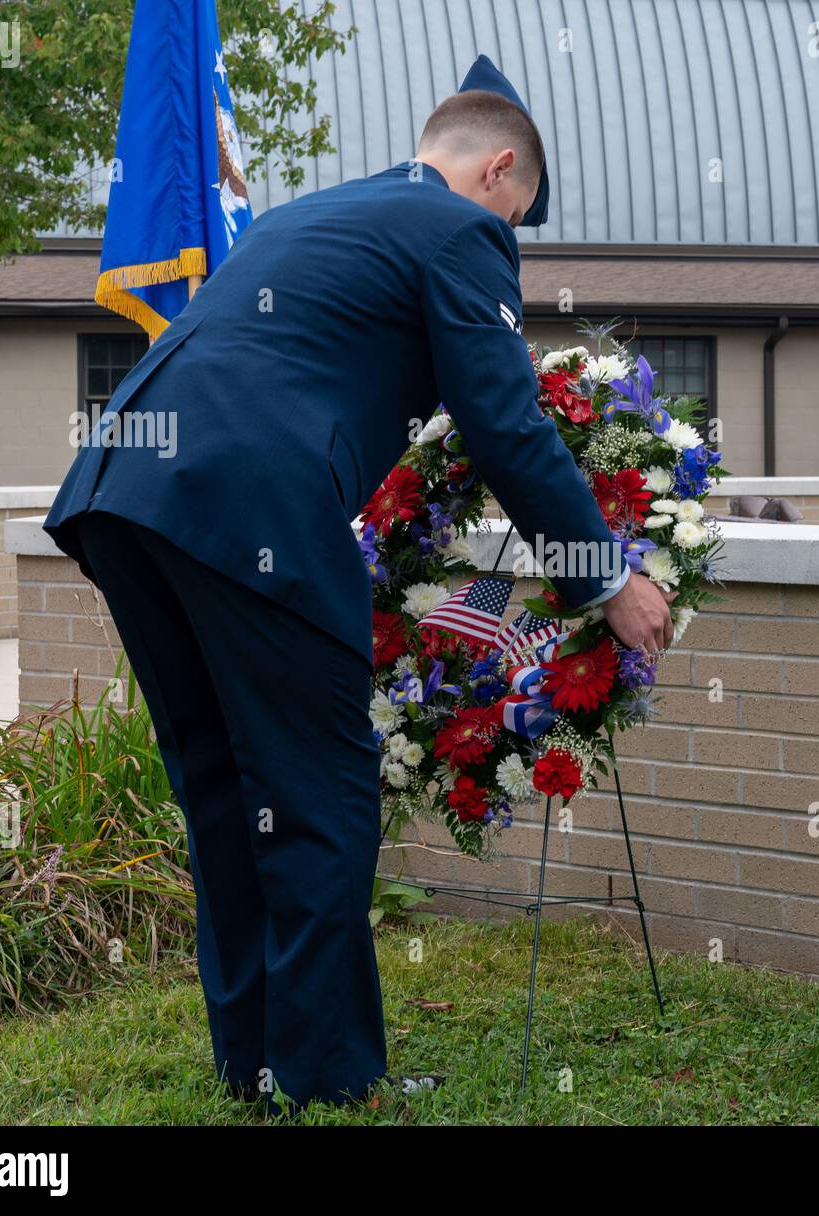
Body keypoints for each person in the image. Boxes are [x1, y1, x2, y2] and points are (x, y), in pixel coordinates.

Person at [43, 55, 673, 1112]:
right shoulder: (461, 232)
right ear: (498, 171)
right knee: (320, 791)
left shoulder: (324, 214)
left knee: (226, 791)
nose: (509, 245)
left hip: (126, 492)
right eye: (516, 218)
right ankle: (329, 1078)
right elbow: (504, 421)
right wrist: (602, 577)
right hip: (249, 510)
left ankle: (252, 1063)